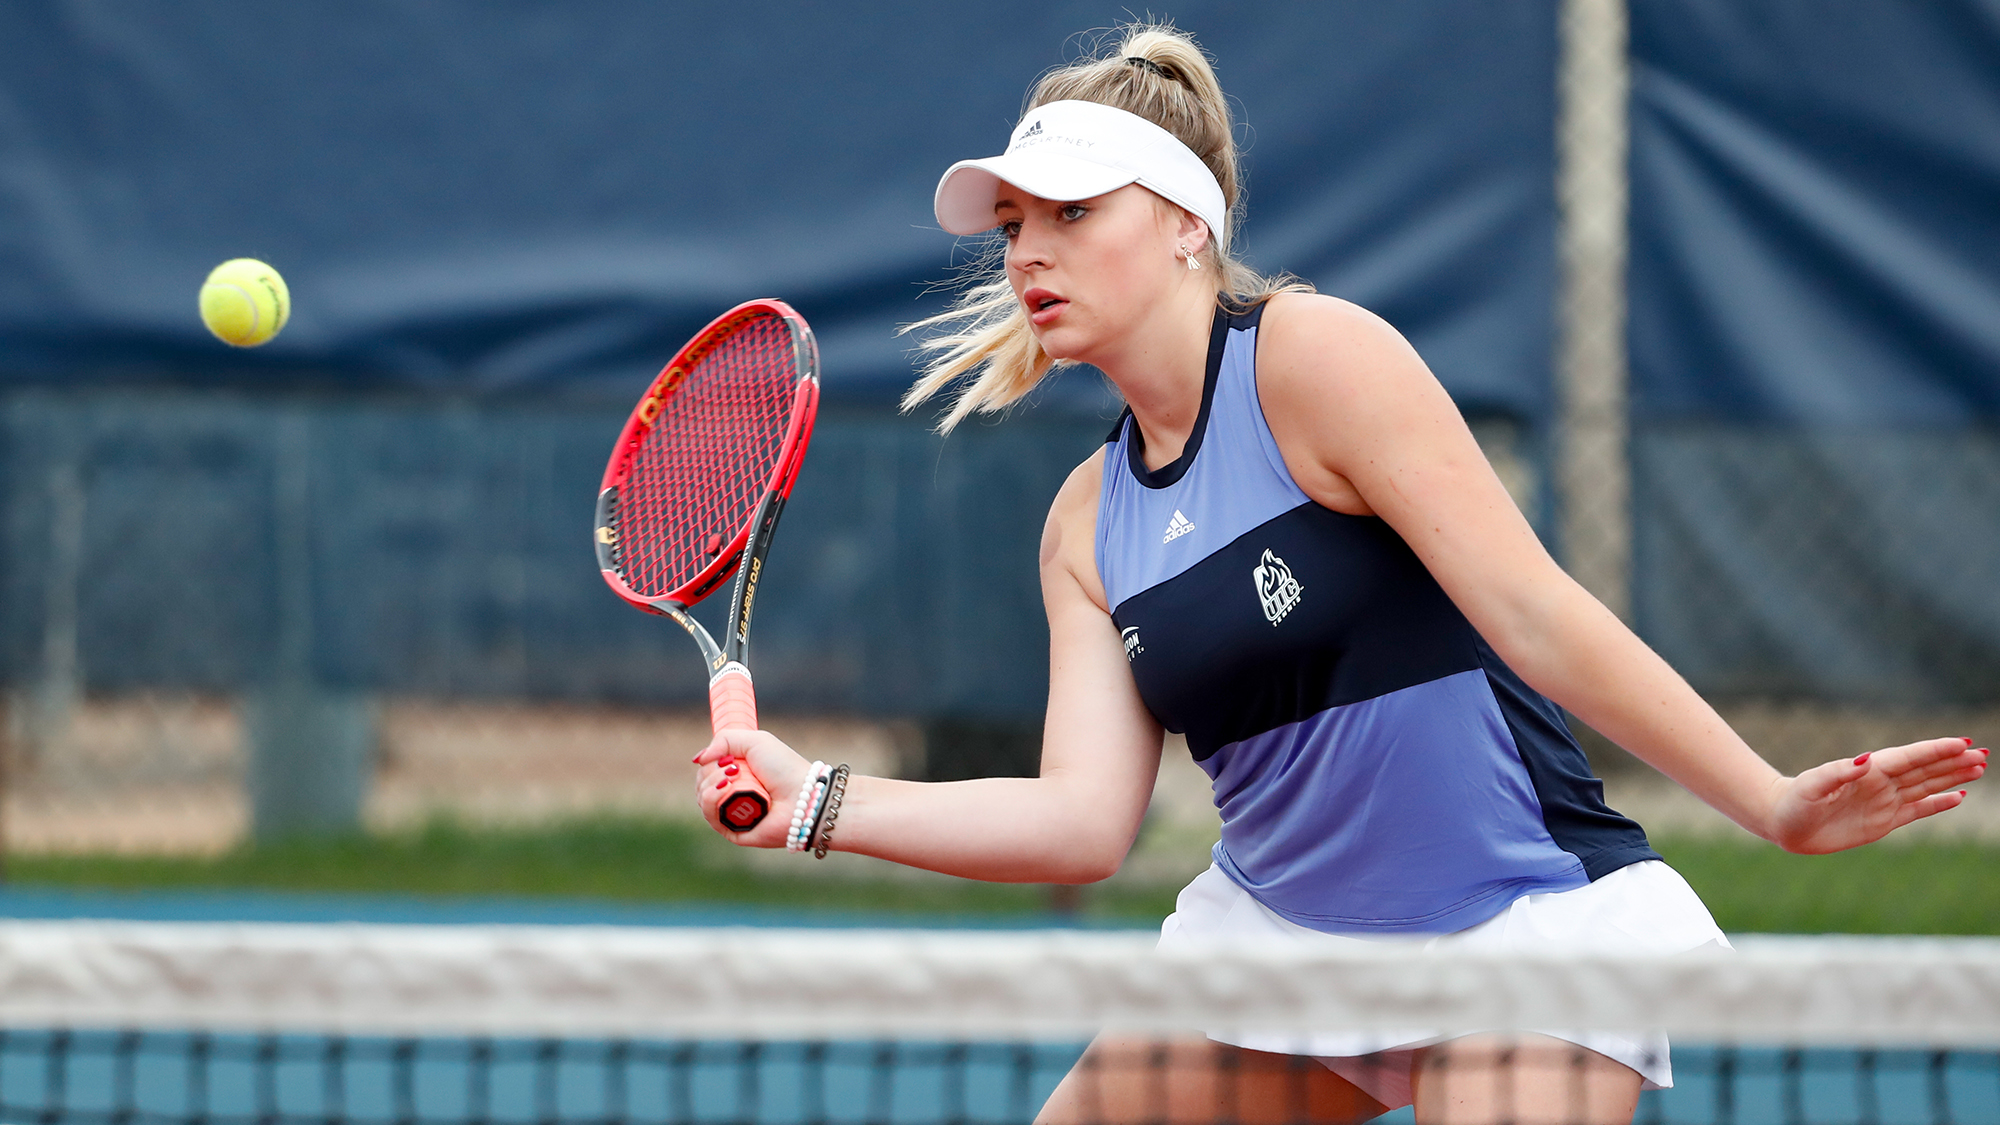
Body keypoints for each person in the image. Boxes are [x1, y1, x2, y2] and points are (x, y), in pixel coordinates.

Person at [693, 23, 1988, 1125]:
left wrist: (1770, 802)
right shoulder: (1085, 525)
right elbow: (1082, 820)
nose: (1030, 249)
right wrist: (818, 799)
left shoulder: (1316, 363)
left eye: (1074, 214)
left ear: (1187, 224)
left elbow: (1533, 611)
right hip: (1283, 943)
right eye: (1018, 221)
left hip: (1519, 922)